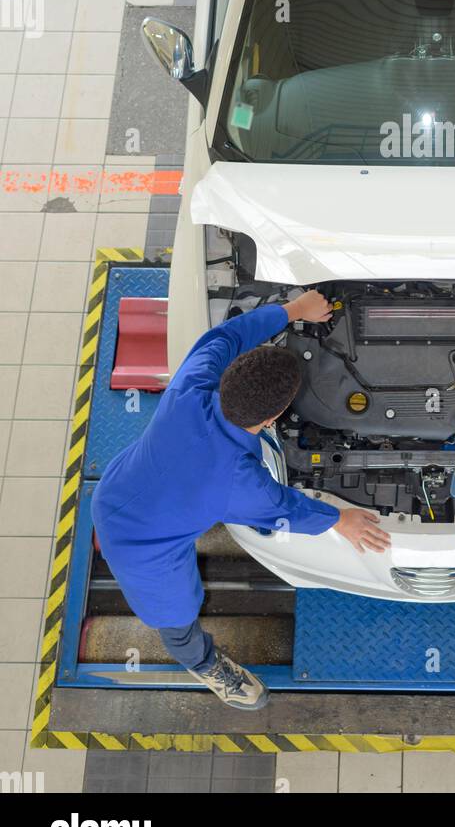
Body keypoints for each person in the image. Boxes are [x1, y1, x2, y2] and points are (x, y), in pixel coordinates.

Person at [92, 292, 389, 710]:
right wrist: (340, 519)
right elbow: (287, 508)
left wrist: (293, 311)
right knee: (176, 614)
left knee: (187, 497)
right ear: (272, 419)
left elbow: (229, 334)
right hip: (140, 546)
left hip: (121, 484)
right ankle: (204, 664)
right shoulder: (239, 484)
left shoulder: (192, 382)